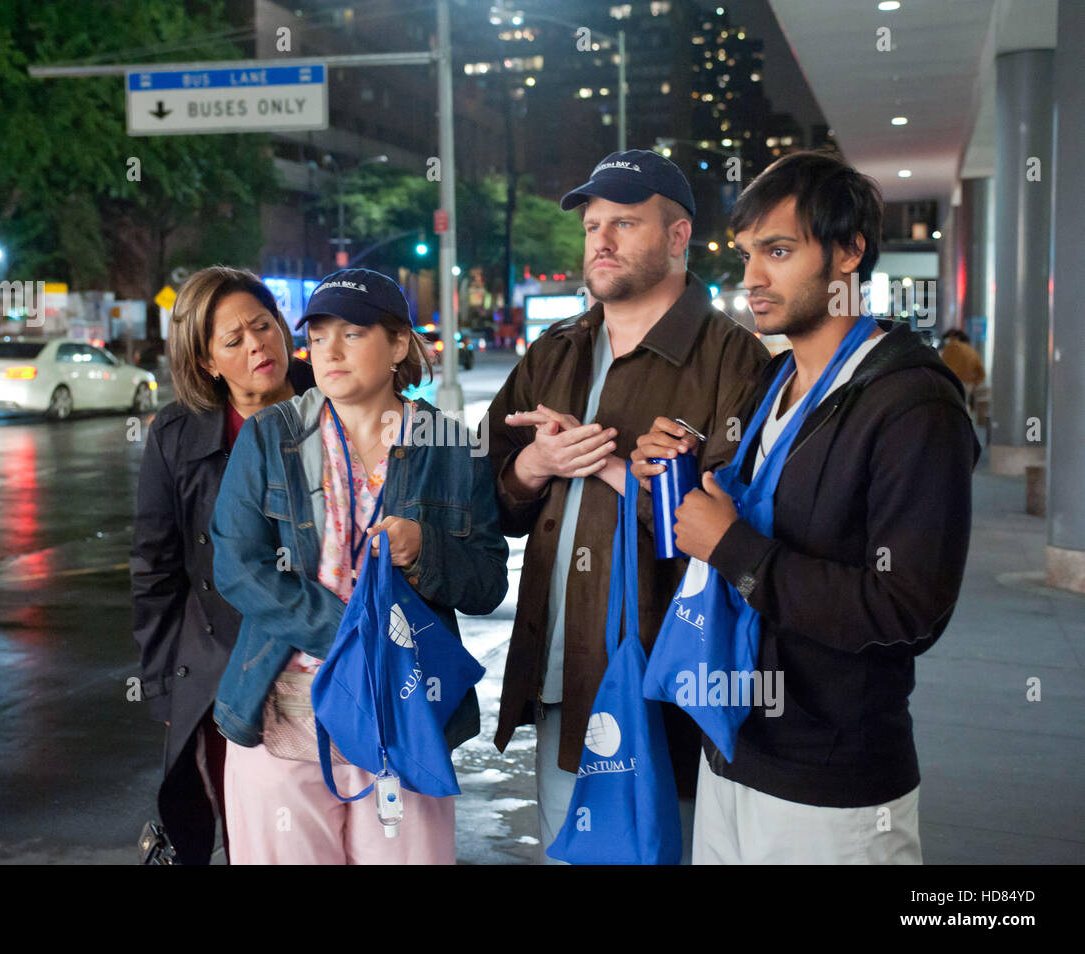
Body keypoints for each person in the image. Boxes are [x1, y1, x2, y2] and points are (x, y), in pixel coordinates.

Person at [641, 150, 980, 864]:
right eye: (746, 254)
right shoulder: (773, 381)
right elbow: (745, 518)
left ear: (850, 252)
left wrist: (731, 545)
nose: (753, 278)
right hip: (731, 744)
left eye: (779, 250)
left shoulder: (913, 405)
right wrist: (676, 480)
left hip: (831, 780)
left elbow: (907, 610)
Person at [483, 150, 770, 863]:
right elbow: (482, 497)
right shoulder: (553, 351)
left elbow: (745, 531)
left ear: (678, 237)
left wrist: (616, 470)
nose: (601, 240)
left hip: (674, 677)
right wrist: (531, 465)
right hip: (562, 672)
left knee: (663, 848)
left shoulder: (736, 361)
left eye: (625, 223)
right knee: (569, 850)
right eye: (592, 226)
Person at [210, 268, 509, 865]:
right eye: (318, 337)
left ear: (398, 344)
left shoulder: (449, 445)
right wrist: (352, 634)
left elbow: (487, 582)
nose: (330, 352)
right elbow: (237, 567)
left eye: (353, 333)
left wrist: (423, 547)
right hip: (282, 716)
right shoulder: (271, 437)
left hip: (404, 713)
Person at [130, 266, 315, 864]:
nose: (257, 345)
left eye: (263, 326)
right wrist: (168, 693)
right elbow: (156, 572)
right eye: (233, 340)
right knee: (249, 835)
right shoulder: (176, 436)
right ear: (207, 362)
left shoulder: (339, 401)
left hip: (330, 662)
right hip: (229, 677)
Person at [939, 327, 985, 412]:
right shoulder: (971, 350)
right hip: (968, 386)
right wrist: (974, 383)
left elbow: (942, 366)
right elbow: (981, 372)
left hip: (951, 385)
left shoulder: (951, 347)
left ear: (953, 337)